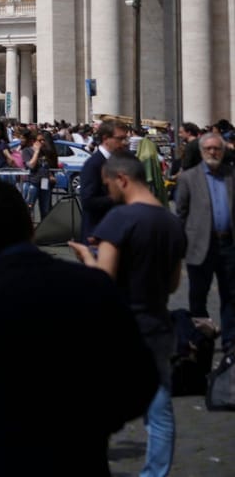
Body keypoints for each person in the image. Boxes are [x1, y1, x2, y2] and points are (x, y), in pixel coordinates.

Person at [0, 179, 157, 477]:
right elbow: (142, 379)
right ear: (31, 228)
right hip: (75, 457)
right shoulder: (92, 284)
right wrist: (94, 425)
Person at [70, 152, 186, 477]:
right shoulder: (172, 223)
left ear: (122, 179)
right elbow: (174, 283)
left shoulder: (119, 219)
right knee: (159, 411)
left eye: (108, 185)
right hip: (158, 323)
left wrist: (86, 257)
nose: (108, 193)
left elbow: (103, 281)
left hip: (119, 328)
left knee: (93, 406)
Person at [175, 131, 235, 353]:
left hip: (228, 245)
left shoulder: (231, 175)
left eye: (217, 148)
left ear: (223, 151)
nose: (213, 152)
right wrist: (181, 244)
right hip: (200, 245)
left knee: (231, 294)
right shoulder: (189, 178)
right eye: (208, 148)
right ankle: (201, 338)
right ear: (201, 152)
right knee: (198, 295)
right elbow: (181, 212)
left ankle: (230, 340)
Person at [78, 120, 129, 239]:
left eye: (125, 138)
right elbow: (88, 201)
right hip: (97, 232)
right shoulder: (94, 164)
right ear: (106, 138)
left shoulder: (122, 160)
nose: (124, 143)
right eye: (120, 139)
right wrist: (116, 198)